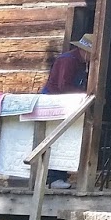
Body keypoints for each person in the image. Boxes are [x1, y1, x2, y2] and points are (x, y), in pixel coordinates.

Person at [42, 34, 93, 189]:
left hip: (63, 105)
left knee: (64, 139)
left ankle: (59, 176)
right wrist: (85, 94)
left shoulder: (80, 63)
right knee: (55, 139)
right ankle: (53, 178)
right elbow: (63, 87)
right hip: (54, 103)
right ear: (84, 50)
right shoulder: (68, 61)